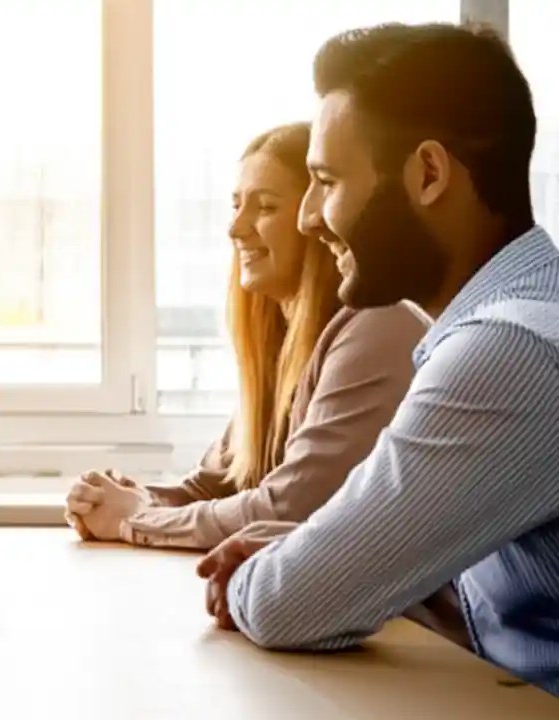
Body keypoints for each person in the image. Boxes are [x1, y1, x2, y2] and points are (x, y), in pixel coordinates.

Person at [198, 22, 559, 697]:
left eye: (326, 181)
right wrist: (310, 552)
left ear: (428, 175)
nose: (309, 218)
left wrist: (267, 574)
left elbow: (286, 607)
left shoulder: (509, 350)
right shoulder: (524, 318)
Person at [64, 123, 427, 550]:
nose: (236, 229)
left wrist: (135, 518)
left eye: (265, 207)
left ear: (317, 219)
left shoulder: (377, 326)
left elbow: (288, 507)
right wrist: (122, 499)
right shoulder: (282, 342)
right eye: (236, 205)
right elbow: (214, 487)